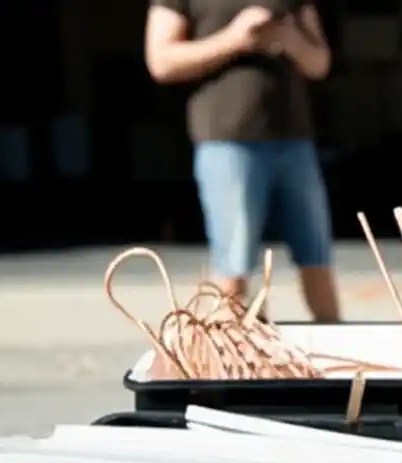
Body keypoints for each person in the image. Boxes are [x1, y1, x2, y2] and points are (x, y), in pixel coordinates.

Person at [144, 0, 341, 322]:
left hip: (293, 140)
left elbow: (320, 62)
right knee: (233, 268)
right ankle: (235, 349)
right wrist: (234, 39)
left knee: (316, 258)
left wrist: (289, 38)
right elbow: (161, 61)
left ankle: (336, 344)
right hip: (227, 141)